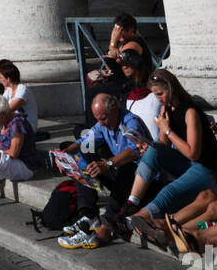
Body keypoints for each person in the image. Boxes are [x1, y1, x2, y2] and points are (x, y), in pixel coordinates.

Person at [116, 69, 217, 243]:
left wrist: (167, 129)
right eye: (155, 95)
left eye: (160, 94)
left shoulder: (190, 112)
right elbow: (163, 143)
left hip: (207, 167)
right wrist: (151, 141)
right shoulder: (166, 108)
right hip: (188, 163)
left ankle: (144, 217)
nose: (159, 98)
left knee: (171, 191)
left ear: (171, 88)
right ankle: (132, 204)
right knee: (153, 150)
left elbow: (193, 154)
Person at [56, 92, 153, 249]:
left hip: (141, 182)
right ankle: (87, 215)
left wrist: (108, 163)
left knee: (127, 167)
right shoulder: (103, 125)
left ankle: (103, 228)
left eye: (103, 118)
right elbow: (85, 141)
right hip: (120, 174)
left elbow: (134, 150)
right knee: (82, 156)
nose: (100, 123)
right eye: (98, 119)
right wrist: (66, 154)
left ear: (114, 110)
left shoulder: (130, 122)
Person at [0, 59, 39, 131]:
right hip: (14, 124)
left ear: (8, 79)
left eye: (1, 77)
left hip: (26, 127)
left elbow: (8, 110)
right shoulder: (9, 90)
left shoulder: (22, 89)